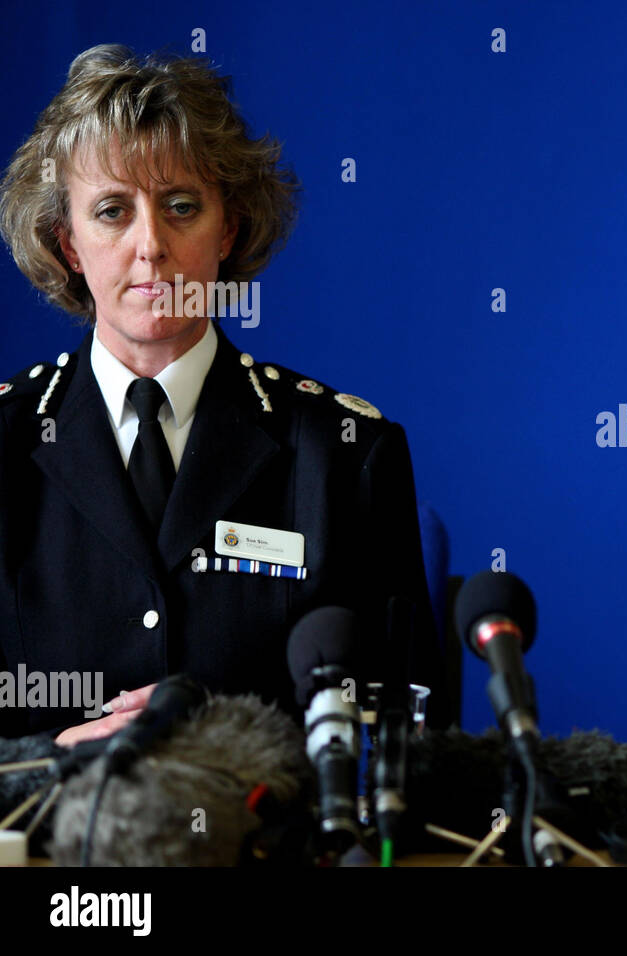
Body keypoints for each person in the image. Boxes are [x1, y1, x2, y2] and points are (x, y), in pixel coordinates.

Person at [0, 45, 437, 745]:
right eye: (112, 211)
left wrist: (231, 743)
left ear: (227, 228)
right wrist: (54, 760)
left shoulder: (344, 452)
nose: (151, 245)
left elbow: (413, 738)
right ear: (68, 244)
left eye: (181, 206)